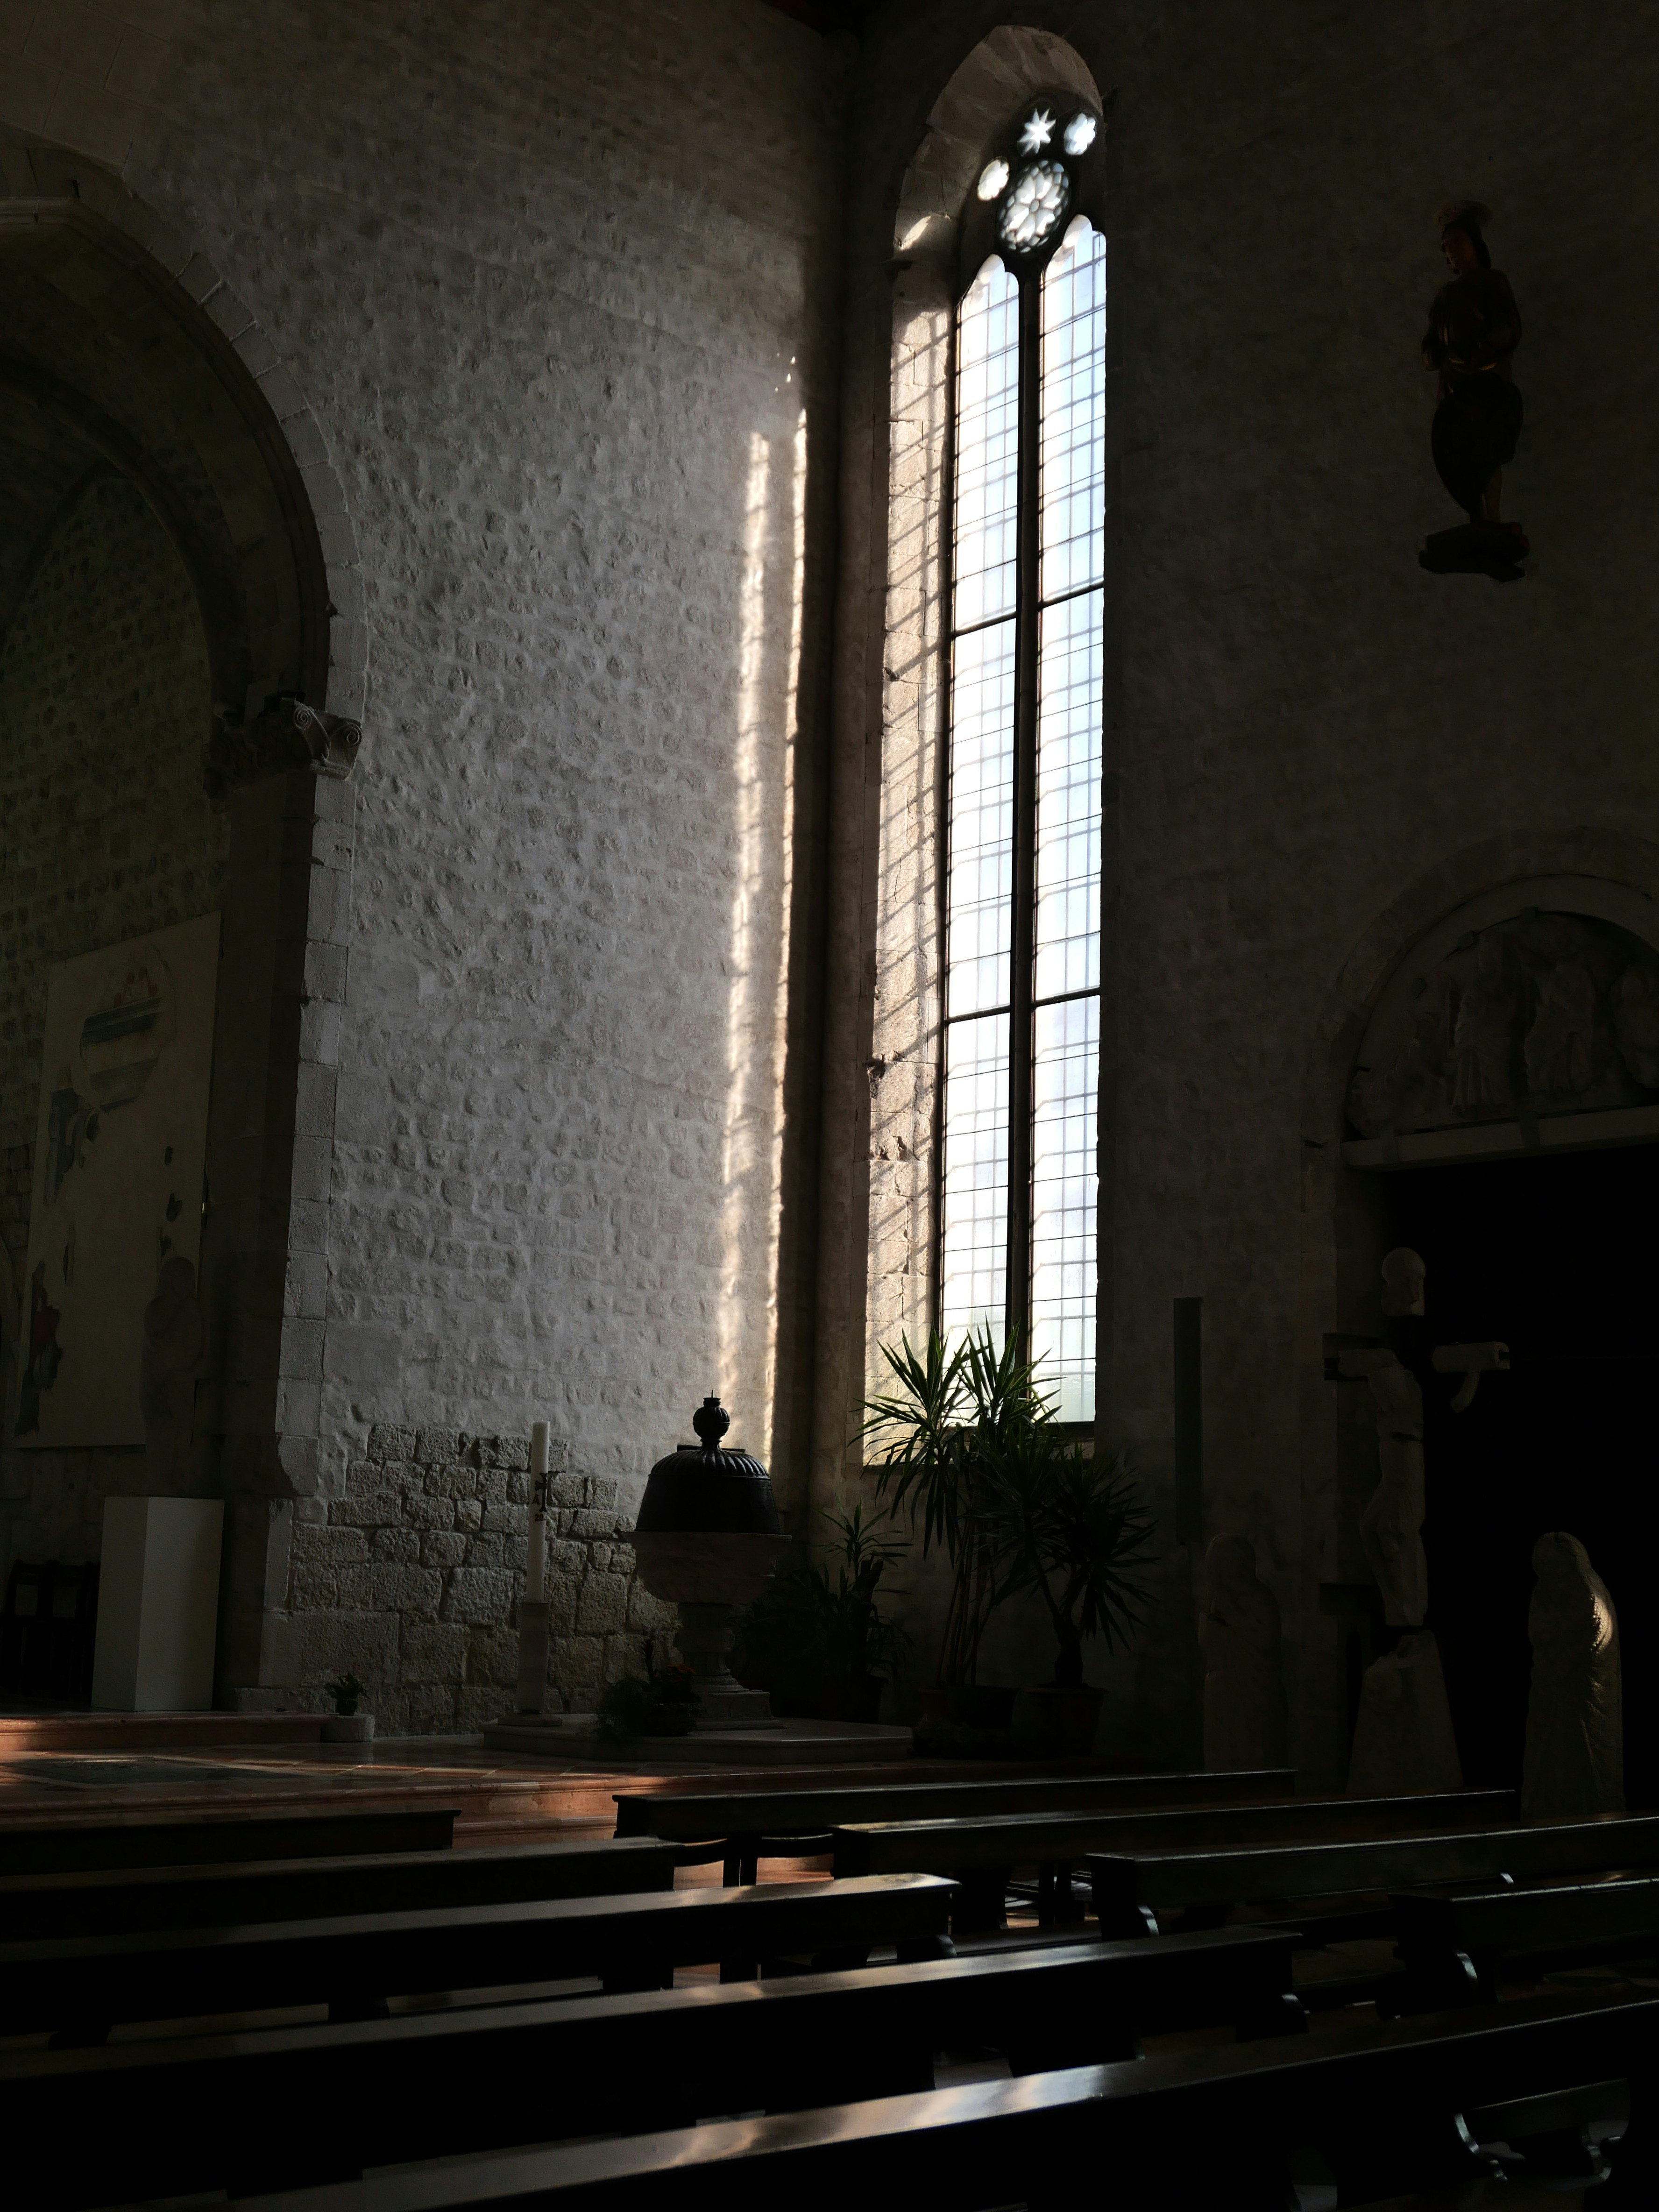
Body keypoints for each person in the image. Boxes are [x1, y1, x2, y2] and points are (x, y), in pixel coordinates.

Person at [1422, 202, 1526, 556]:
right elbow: (1430, 343)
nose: (1452, 251)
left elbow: (1508, 327)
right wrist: (1434, 354)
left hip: (1485, 384)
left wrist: (1481, 353)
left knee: (1487, 451)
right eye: (1446, 247)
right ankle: (1477, 517)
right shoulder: (1445, 297)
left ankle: (1492, 517)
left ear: (1475, 244)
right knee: (1461, 456)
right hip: (1455, 387)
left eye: (1457, 242)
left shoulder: (1492, 283)